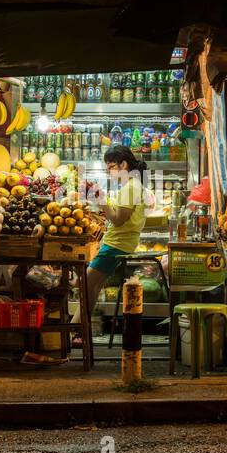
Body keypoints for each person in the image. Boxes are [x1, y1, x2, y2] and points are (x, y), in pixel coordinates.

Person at [71, 145, 148, 346]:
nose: (109, 171)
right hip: (119, 244)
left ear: (123, 164)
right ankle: (79, 332)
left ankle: (73, 331)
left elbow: (117, 219)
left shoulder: (132, 187)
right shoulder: (132, 186)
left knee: (86, 283)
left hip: (116, 246)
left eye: (111, 167)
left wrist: (102, 198)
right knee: (92, 286)